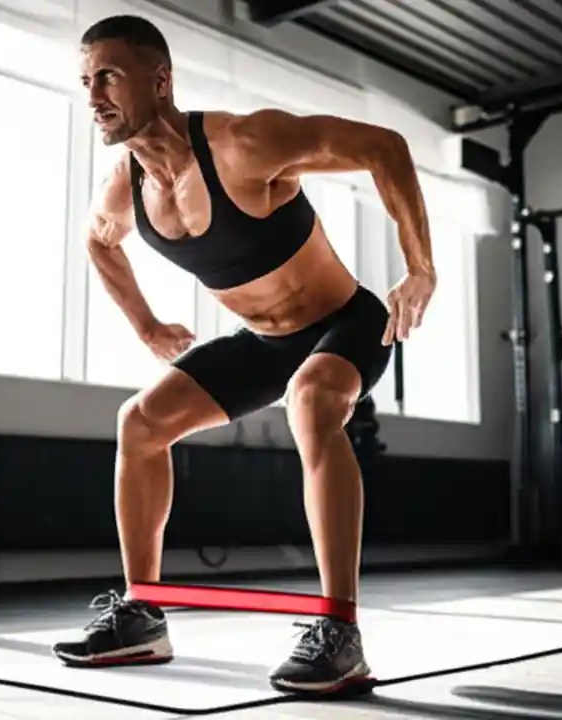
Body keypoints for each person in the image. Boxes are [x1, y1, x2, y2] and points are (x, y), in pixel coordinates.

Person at [51, 14, 436, 695]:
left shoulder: (243, 143)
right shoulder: (124, 187)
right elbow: (99, 241)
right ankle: (143, 614)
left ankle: (340, 632)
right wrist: (146, 324)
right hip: (263, 343)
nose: (94, 96)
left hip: (345, 323)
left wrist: (420, 268)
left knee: (311, 401)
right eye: (86, 81)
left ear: (160, 80)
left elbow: (384, 146)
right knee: (139, 423)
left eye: (108, 75)